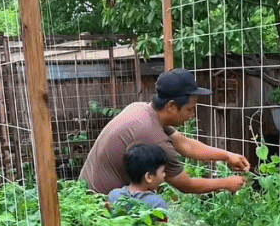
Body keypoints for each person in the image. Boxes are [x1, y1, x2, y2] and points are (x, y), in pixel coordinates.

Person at [79, 68, 250, 195]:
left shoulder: (142, 109)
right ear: (171, 106)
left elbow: (185, 144)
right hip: (101, 204)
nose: (192, 115)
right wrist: (227, 183)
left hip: (90, 191)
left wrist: (227, 155)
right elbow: (186, 185)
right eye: (190, 109)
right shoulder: (151, 135)